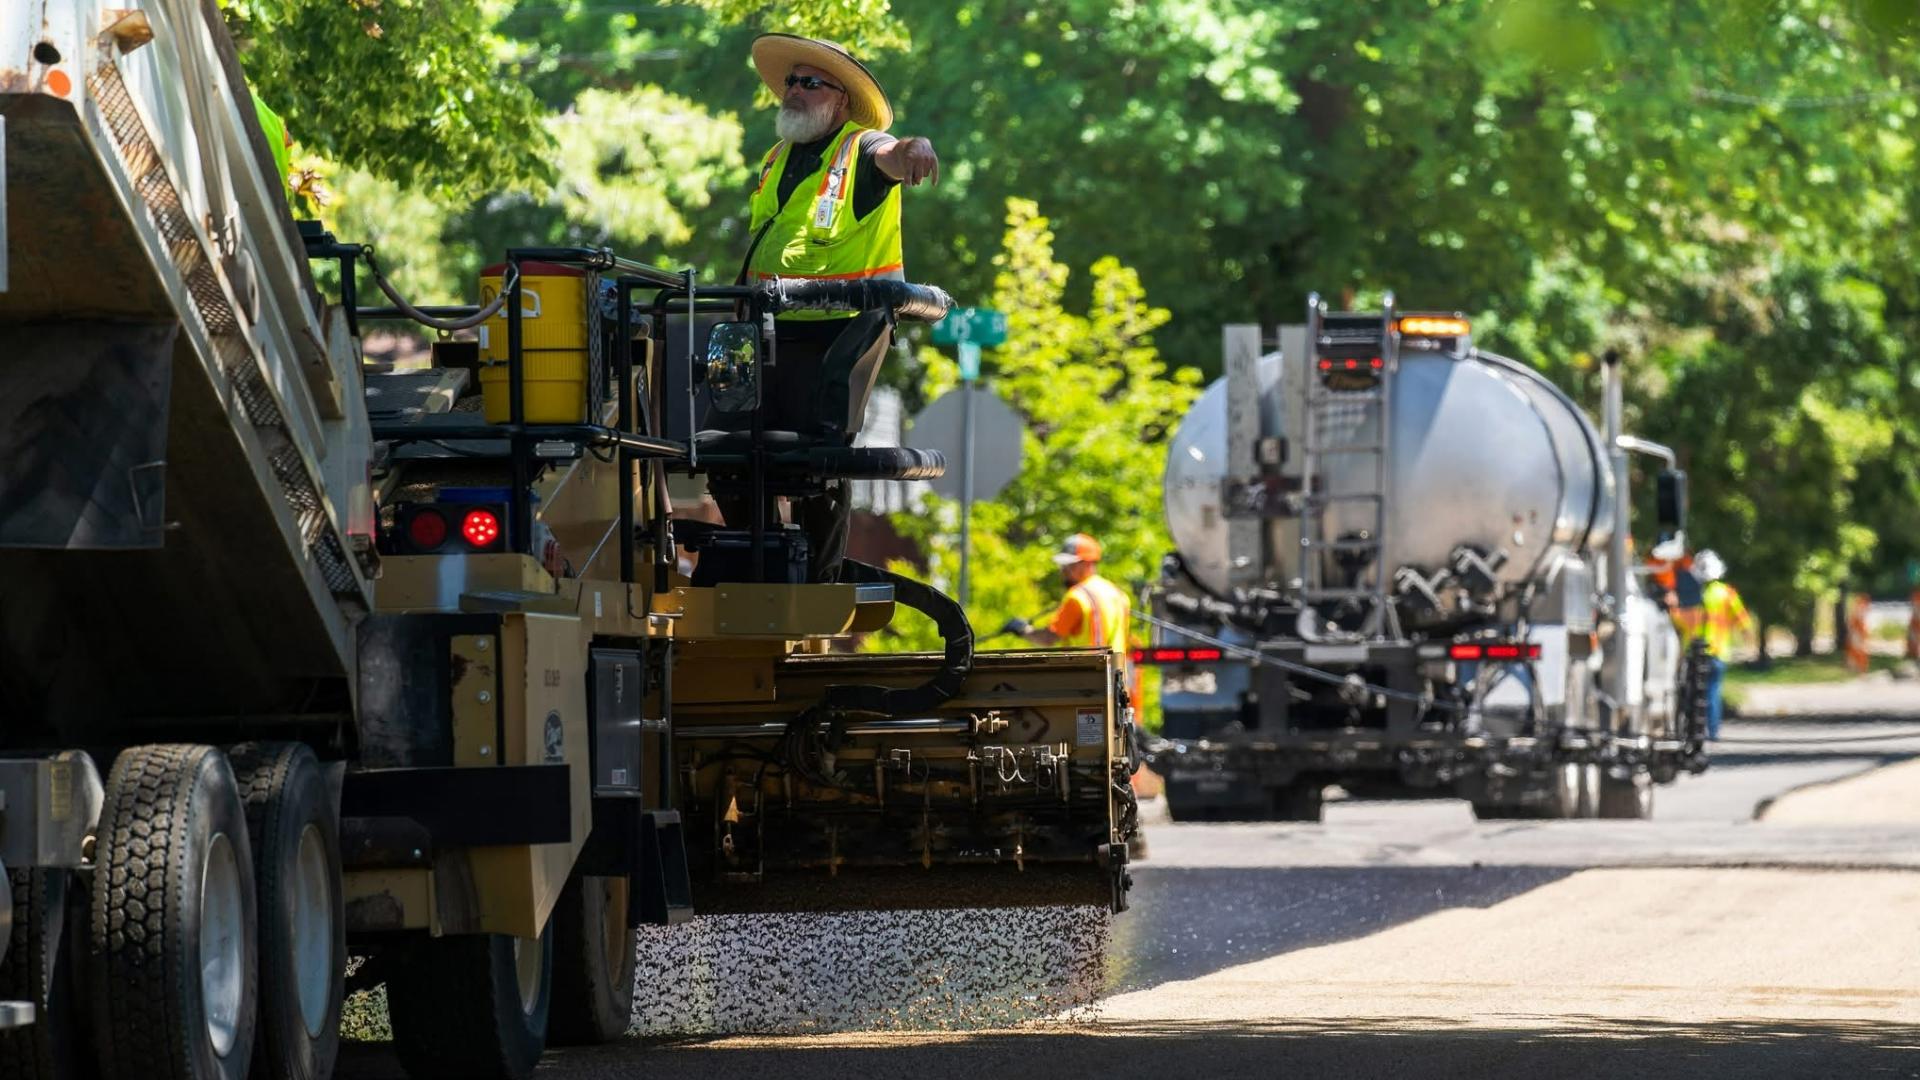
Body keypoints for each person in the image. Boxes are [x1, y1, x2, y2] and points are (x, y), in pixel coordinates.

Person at [713, 34, 941, 582]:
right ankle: (760, 566)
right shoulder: (777, 157)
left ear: (840, 100)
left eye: (810, 83)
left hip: (842, 331)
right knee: (723, 454)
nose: (794, 91)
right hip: (767, 327)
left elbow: (893, 153)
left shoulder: (861, 149)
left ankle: (817, 578)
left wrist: (916, 147)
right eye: (791, 81)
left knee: (818, 462)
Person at [1002, 534, 1133, 662]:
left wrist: (1023, 630)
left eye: (1070, 565)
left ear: (1087, 563)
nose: (1064, 571)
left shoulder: (1078, 597)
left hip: (1087, 677)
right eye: (1063, 566)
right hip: (1117, 677)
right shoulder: (1119, 595)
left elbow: (1048, 638)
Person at [1689, 549, 1754, 740]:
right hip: (1719, 651)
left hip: (1696, 650)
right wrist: (1750, 644)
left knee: (1694, 693)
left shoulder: (1695, 595)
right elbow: (1744, 621)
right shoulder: (1727, 593)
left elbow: (1682, 621)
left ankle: (1695, 731)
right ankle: (1713, 732)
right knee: (1713, 691)